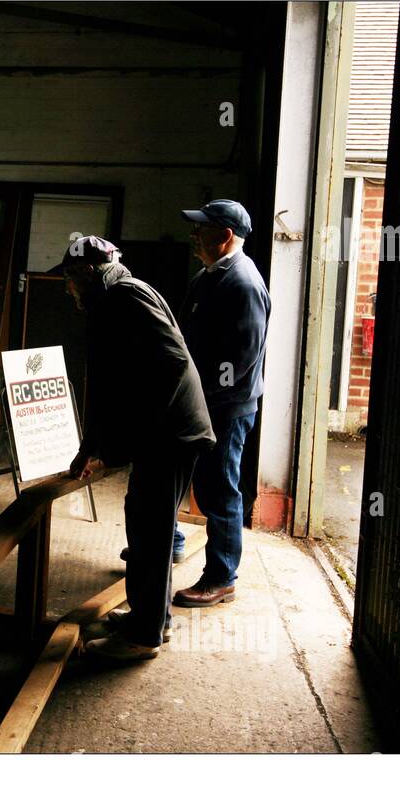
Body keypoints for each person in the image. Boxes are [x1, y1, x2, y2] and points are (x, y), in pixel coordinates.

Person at [64, 236, 215, 661]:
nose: (69, 289)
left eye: (72, 279)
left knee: (151, 531)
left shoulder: (123, 297)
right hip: (167, 433)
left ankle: (142, 637)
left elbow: (171, 364)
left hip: (172, 434)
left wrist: (127, 442)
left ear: (89, 273)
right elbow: (112, 386)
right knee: (148, 523)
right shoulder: (115, 297)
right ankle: (152, 620)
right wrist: (93, 446)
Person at [169, 199, 271, 607]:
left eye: (202, 229)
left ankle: (221, 578)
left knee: (221, 491)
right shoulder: (209, 276)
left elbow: (240, 362)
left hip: (225, 409)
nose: (194, 235)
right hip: (202, 402)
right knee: (188, 479)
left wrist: (205, 401)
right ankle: (173, 542)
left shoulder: (242, 283)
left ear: (225, 236)